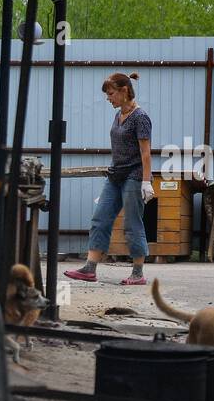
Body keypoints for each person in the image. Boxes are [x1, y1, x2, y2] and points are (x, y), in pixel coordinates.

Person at [64, 72, 154, 286]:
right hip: (115, 176)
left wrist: (146, 181)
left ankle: (138, 272)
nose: (108, 98)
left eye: (111, 93)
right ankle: (89, 268)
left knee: (132, 223)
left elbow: (146, 153)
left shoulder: (141, 117)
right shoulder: (118, 115)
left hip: (133, 176)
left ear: (124, 91)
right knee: (100, 218)